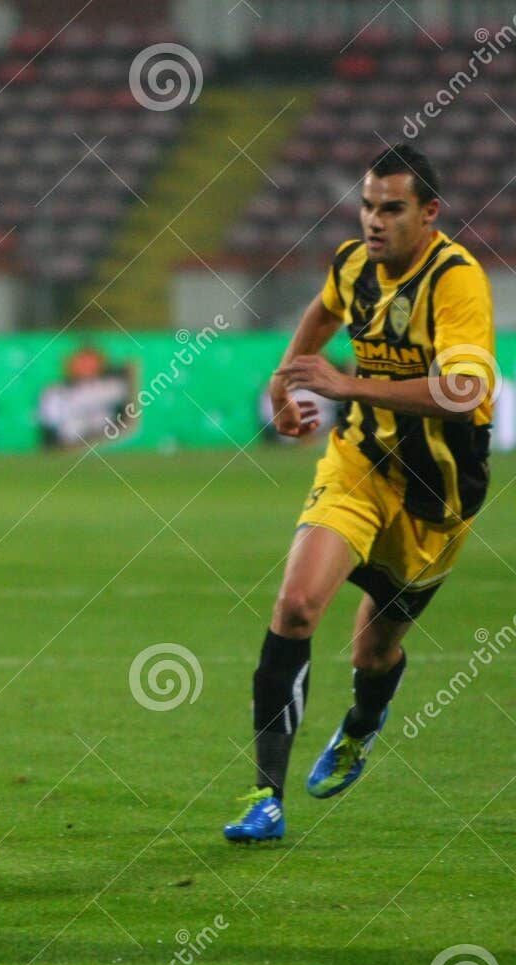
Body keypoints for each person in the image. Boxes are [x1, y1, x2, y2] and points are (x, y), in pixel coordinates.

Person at [224, 145, 495, 843]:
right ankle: (265, 797)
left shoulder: (456, 282)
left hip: (437, 498)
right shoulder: (352, 264)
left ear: (429, 213)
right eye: (368, 206)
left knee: (372, 653)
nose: (375, 221)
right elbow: (320, 316)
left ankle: (363, 722)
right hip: (359, 464)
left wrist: (348, 385)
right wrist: (284, 386)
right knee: (295, 606)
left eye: (392, 208)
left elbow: (465, 393)